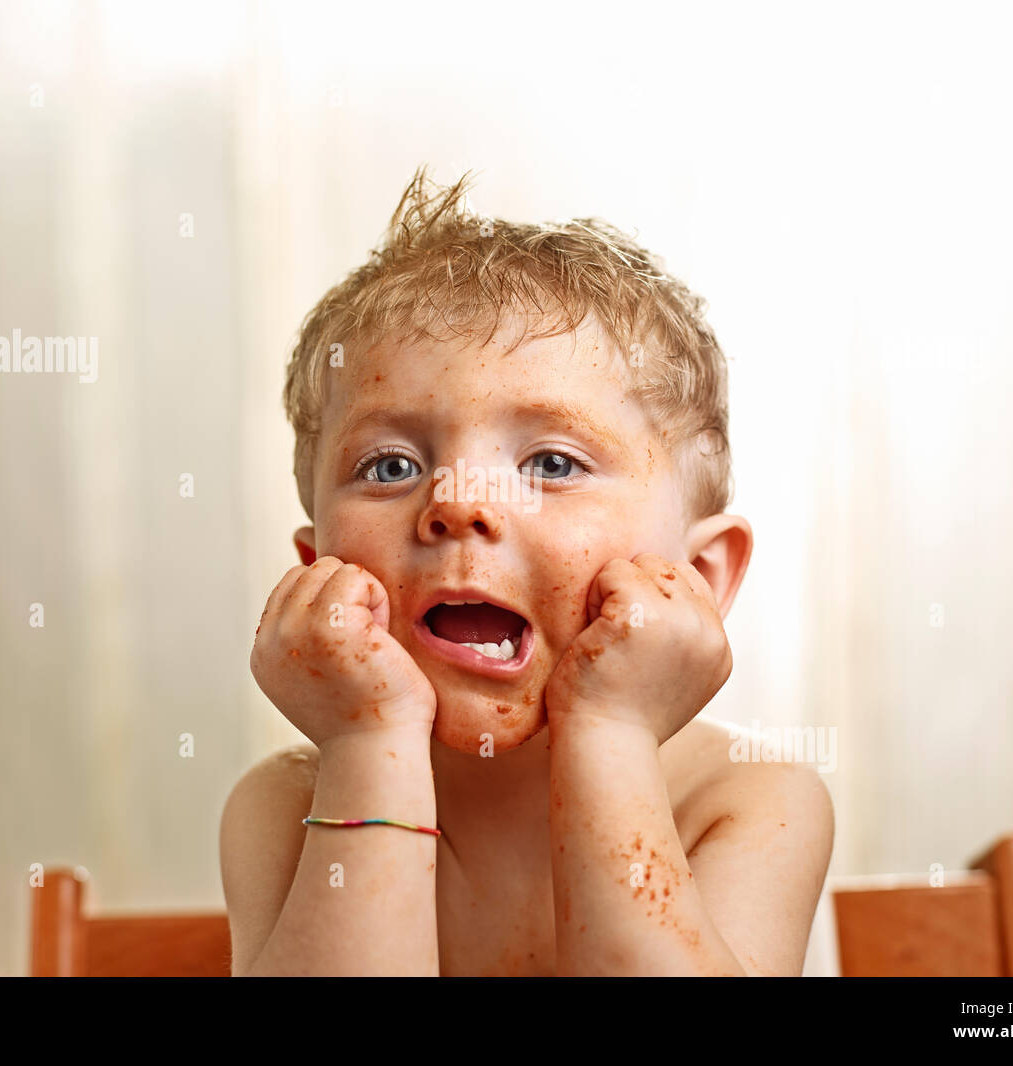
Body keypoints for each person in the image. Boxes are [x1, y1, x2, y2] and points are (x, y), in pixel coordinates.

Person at [220, 166, 833, 976]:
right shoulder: (287, 809)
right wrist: (369, 746)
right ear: (320, 574)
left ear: (698, 576)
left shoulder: (749, 802)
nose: (458, 503)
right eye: (392, 466)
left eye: (551, 461)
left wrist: (609, 732)